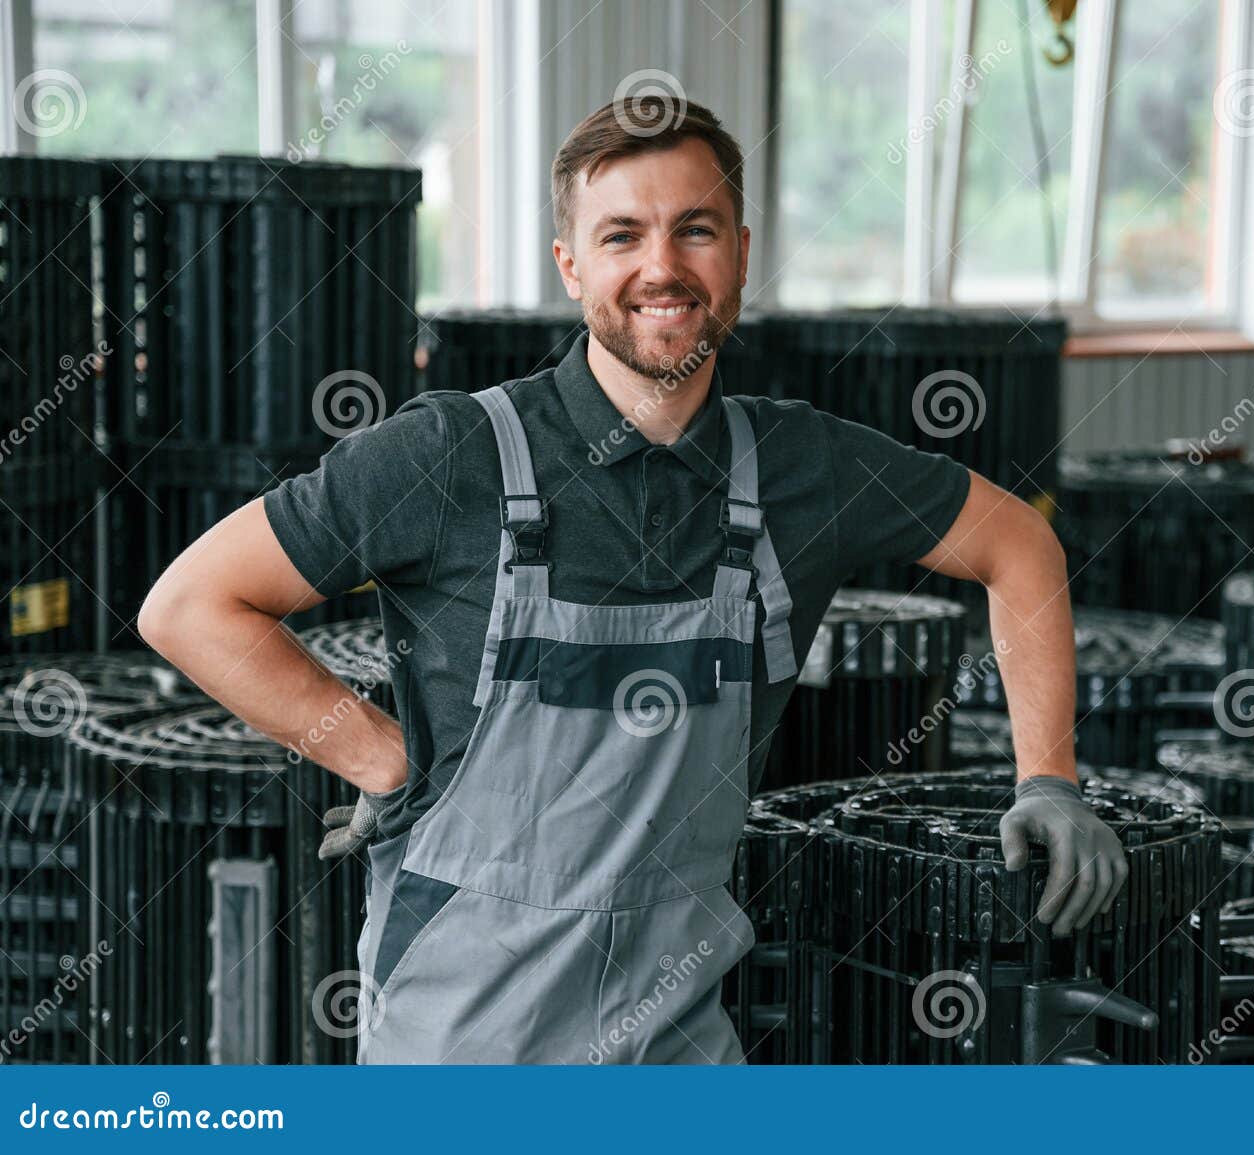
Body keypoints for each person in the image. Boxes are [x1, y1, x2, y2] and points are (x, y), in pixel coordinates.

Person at [137, 94, 1127, 1064]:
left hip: (678, 1044)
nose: (662, 267)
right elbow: (192, 606)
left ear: (738, 249)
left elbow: (1019, 546)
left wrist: (1047, 775)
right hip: (464, 1050)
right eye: (622, 236)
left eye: (694, 230)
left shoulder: (803, 468)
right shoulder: (449, 454)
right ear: (572, 265)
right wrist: (380, 758)